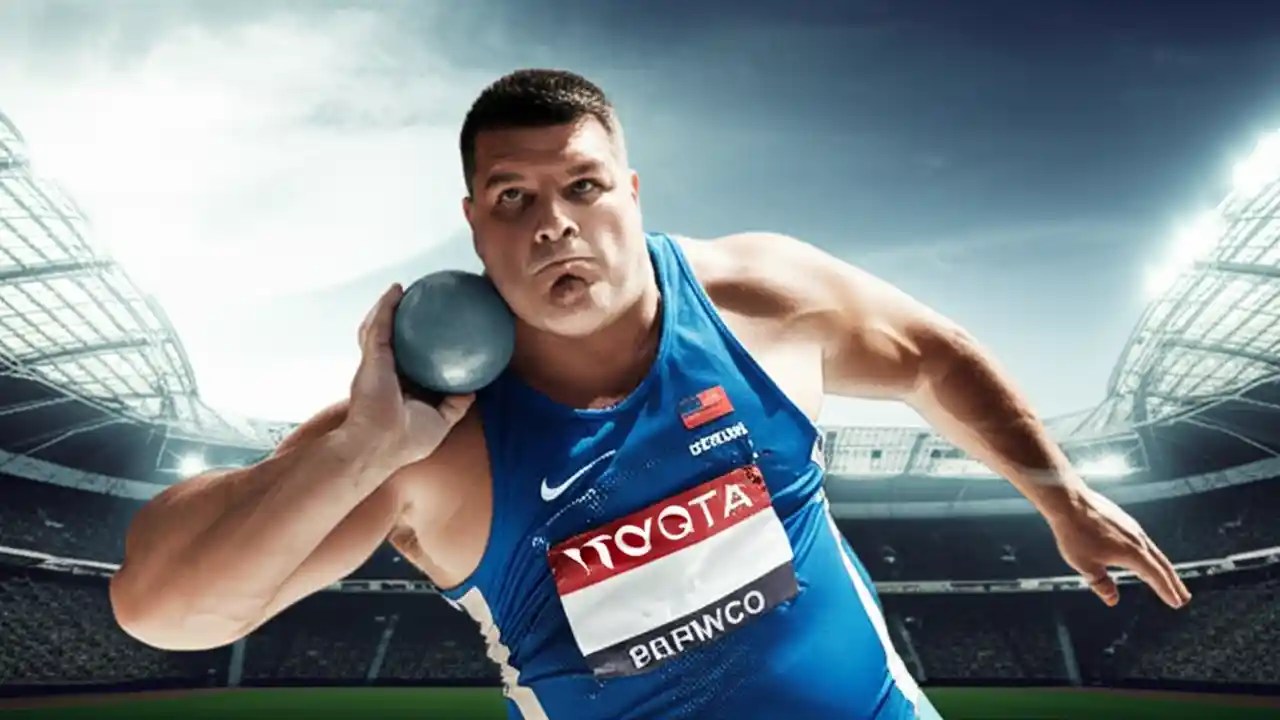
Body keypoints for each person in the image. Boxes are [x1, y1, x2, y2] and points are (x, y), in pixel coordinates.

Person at [110, 69, 1192, 720]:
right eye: (512, 198)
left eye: (582, 186)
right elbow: (169, 609)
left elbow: (927, 353)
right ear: (474, 225)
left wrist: (1058, 493)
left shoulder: (757, 302)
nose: (553, 222)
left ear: (628, 193)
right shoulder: (430, 441)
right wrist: (355, 450)